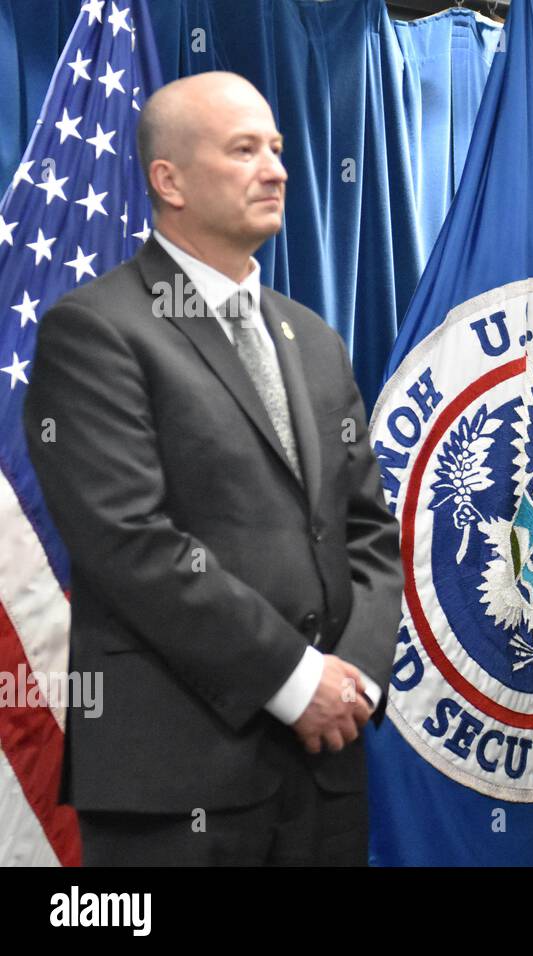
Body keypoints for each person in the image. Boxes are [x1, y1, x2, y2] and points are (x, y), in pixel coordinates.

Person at [22, 72, 402, 865]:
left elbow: (367, 530)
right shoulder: (95, 331)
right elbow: (130, 544)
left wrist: (354, 681)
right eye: (244, 150)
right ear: (169, 181)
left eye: (278, 148)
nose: (277, 168)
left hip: (326, 766)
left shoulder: (315, 340)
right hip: (178, 779)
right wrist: (297, 681)